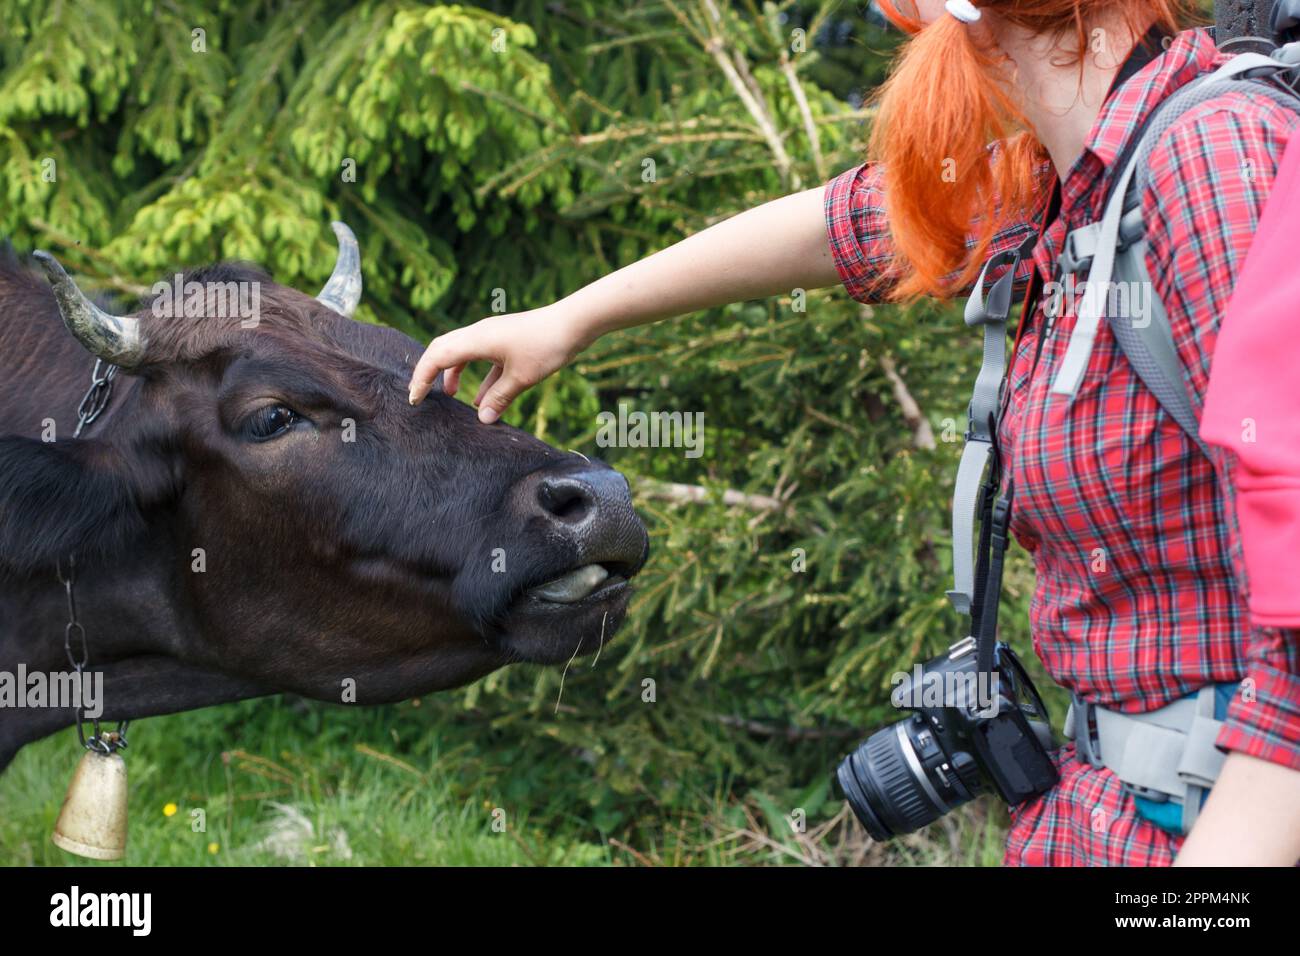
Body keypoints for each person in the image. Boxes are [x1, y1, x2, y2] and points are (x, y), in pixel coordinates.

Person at [407, 0, 1300, 866]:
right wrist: (572, 317)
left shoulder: (1211, 156)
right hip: (1102, 816)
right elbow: (850, 227)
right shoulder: (1070, 181)